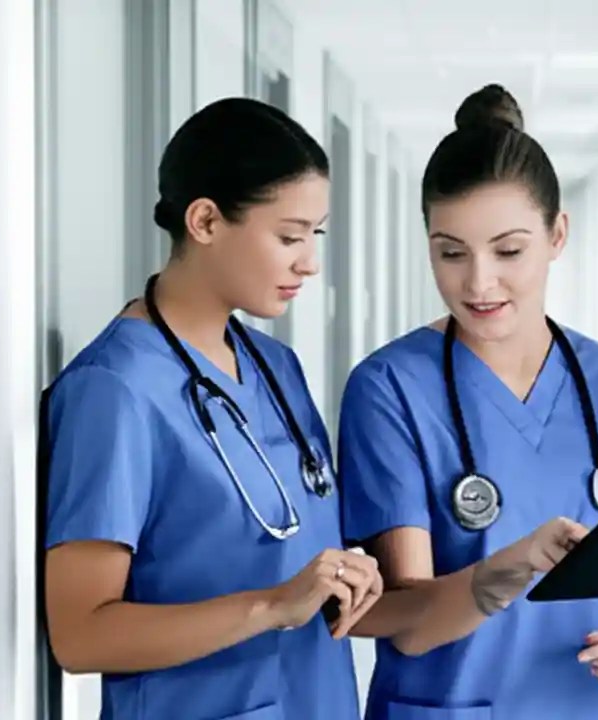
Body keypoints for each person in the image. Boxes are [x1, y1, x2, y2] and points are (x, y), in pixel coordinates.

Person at [40, 97, 381, 720]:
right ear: (204, 221)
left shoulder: (277, 369)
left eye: (315, 235)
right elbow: (80, 634)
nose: (308, 261)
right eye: (288, 236)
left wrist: (344, 577)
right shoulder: (114, 390)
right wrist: (272, 606)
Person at [338, 84, 598, 719]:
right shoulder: (390, 389)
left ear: (557, 235)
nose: (478, 281)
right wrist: (510, 567)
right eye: (450, 253)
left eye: (508, 250)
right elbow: (406, 618)